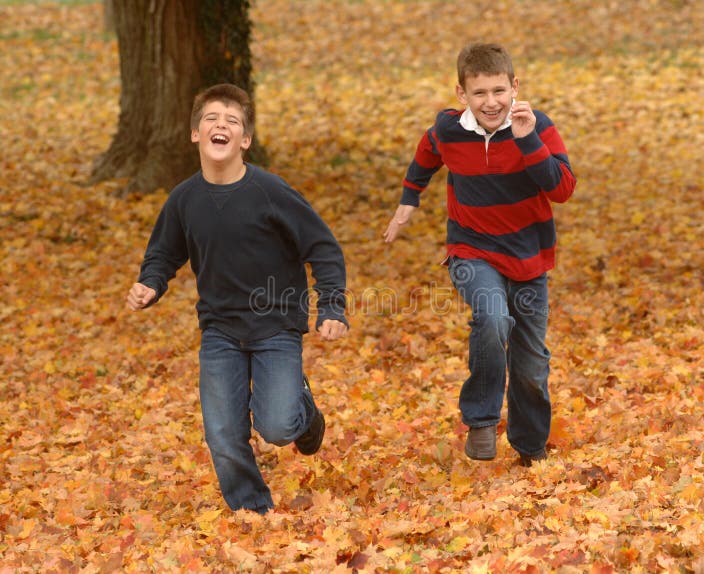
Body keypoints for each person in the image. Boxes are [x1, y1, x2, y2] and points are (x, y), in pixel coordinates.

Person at [127, 83, 348, 513]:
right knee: (224, 434)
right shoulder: (184, 199)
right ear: (195, 134)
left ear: (245, 140)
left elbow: (322, 247)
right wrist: (150, 283)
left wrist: (333, 305)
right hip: (220, 331)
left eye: (232, 121)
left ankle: (301, 407)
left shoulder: (270, 192)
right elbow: (163, 252)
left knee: (278, 427)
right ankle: (252, 511)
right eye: (211, 118)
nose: (220, 125)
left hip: (276, 328)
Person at [384, 43, 576, 466]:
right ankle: (482, 420)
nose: (491, 102)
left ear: (515, 87)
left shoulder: (538, 127)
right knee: (491, 317)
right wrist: (409, 199)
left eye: (498, 91)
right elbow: (426, 153)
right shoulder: (450, 130)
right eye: (479, 94)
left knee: (530, 365)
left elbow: (562, 189)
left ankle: (530, 449)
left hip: (529, 259)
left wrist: (528, 143)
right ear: (461, 95)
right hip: (471, 251)